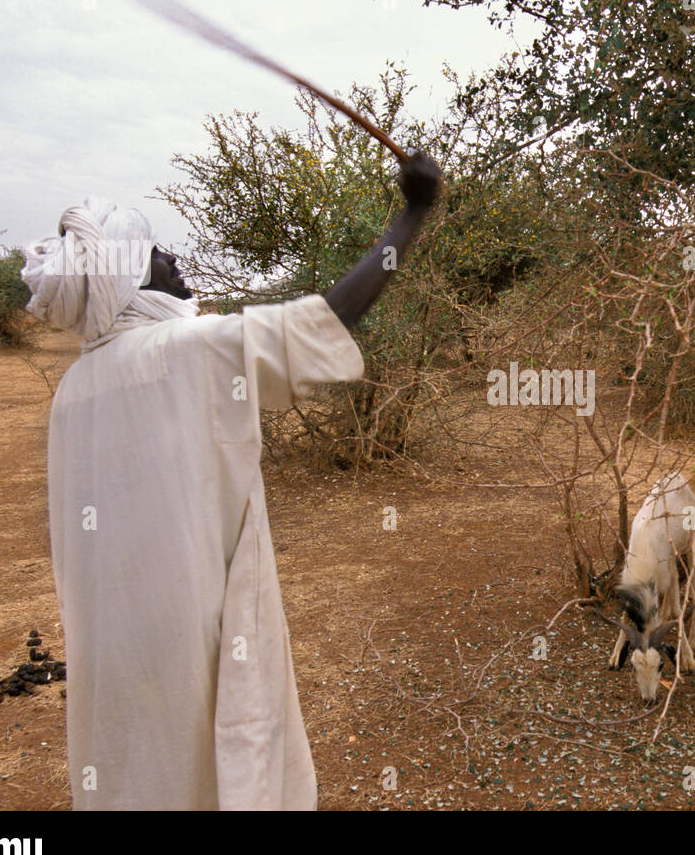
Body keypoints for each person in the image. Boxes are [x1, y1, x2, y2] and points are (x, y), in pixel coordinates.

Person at [22, 151, 441, 809]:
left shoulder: (74, 390)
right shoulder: (190, 351)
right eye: (158, 253)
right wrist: (411, 216)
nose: (175, 261)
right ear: (129, 272)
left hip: (115, 649)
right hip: (195, 638)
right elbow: (327, 321)